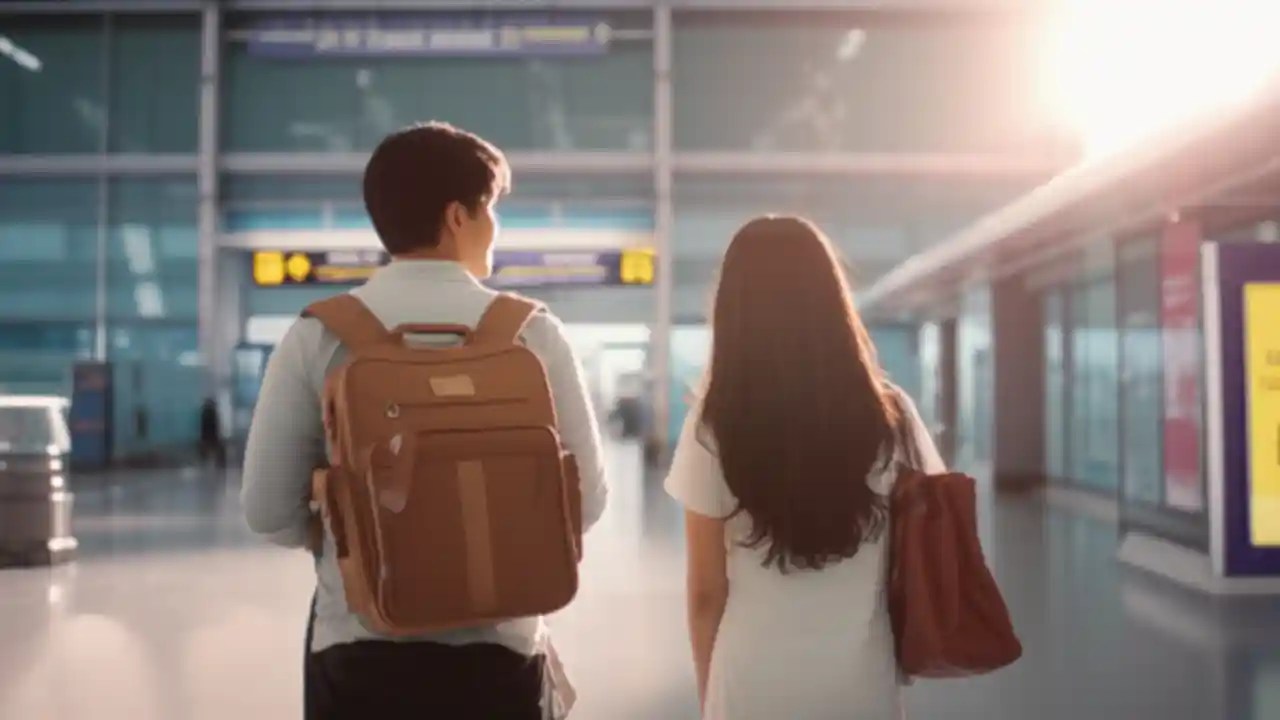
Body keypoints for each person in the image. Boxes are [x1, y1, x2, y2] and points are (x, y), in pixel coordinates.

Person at [240, 122, 608, 719]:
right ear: (457, 217)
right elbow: (586, 501)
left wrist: (350, 526)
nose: (495, 226)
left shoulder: (318, 336)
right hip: (501, 658)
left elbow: (267, 511)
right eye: (490, 209)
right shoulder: (534, 334)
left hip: (360, 656)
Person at [664, 216, 945, 720]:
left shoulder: (714, 425)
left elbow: (706, 592)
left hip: (750, 688)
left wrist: (709, 698)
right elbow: (926, 542)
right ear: (832, 303)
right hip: (861, 688)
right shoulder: (891, 415)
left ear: (733, 309)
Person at [198, 397, 225, 468]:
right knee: (216, 449)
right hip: (212, 435)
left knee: (208, 449)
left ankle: (206, 461)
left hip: (207, 436)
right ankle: (218, 463)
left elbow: (203, 426)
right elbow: (216, 425)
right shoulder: (212, 412)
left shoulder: (205, 413)